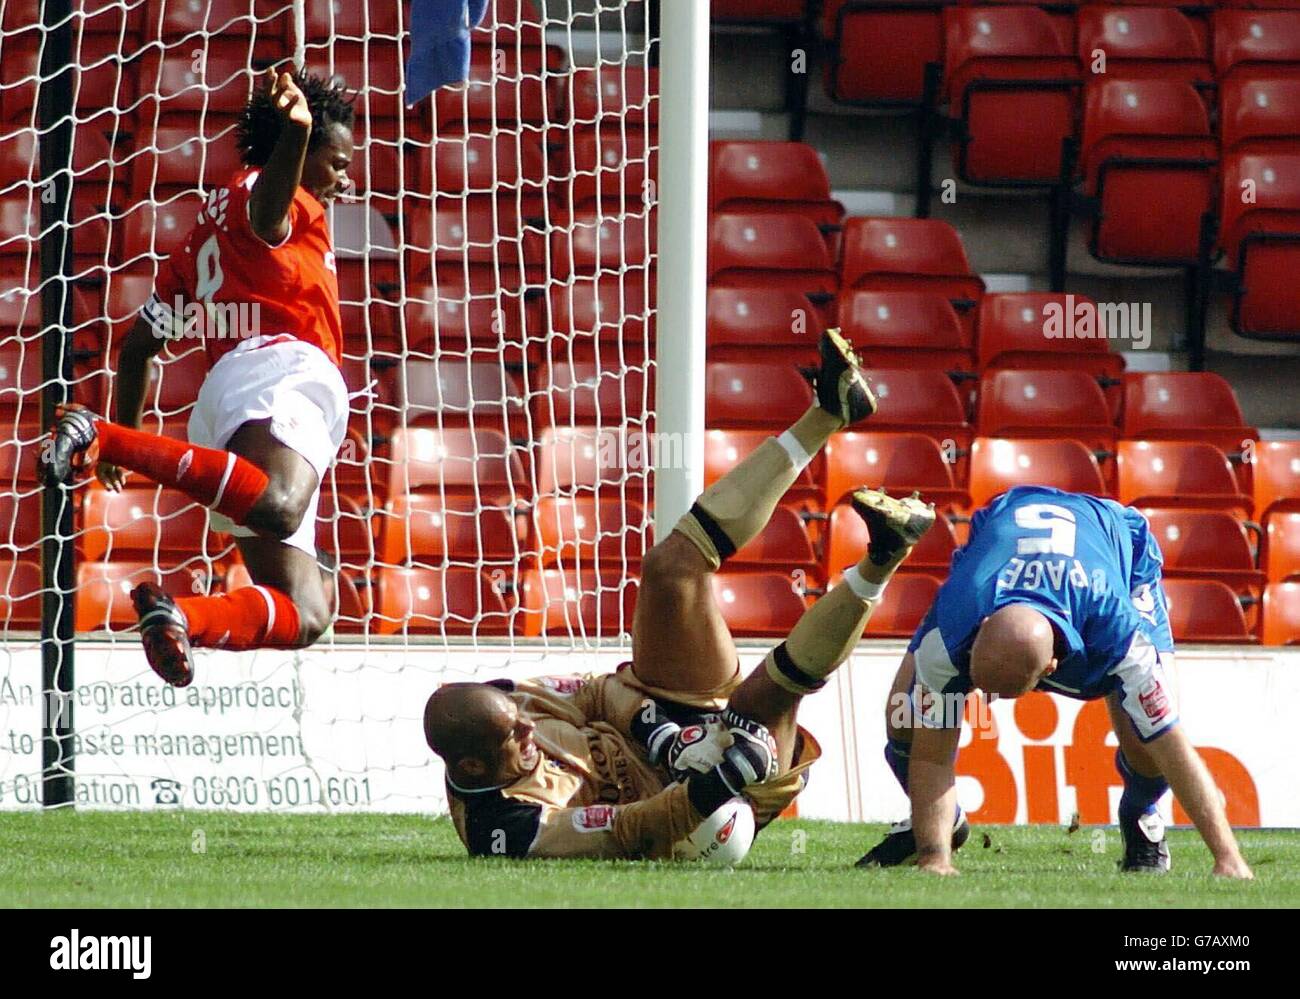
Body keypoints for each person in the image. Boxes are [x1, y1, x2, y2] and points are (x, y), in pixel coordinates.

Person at [424, 330, 936, 859]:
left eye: (520, 720)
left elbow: (598, 693)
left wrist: (664, 735)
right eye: (517, 737)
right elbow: (629, 829)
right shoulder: (506, 828)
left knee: (671, 568)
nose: (528, 724)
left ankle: (828, 412)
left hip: (666, 715)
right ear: (473, 768)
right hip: (695, 813)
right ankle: (884, 557)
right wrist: (714, 778)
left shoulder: (509, 700)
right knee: (764, 702)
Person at [40, 68, 355, 687]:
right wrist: (294, 135)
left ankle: (179, 613)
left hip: (229, 399)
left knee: (310, 609)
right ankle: (98, 433)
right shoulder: (278, 197)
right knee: (282, 507)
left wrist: (129, 425)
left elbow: (136, 350)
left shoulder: (199, 239)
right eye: (335, 163)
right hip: (282, 371)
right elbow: (270, 216)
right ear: (299, 156)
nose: (343, 178)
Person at [855, 485, 1254, 879]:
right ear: (983, 629)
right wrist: (934, 859)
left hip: (1117, 548)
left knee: (1144, 742)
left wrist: (1228, 858)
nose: (983, 702)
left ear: (1051, 669)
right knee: (905, 716)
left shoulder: (1118, 634)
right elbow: (930, 755)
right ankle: (939, 825)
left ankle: (1141, 816)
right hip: (1005, 523)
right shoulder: (956, 625)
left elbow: (1172, 743)